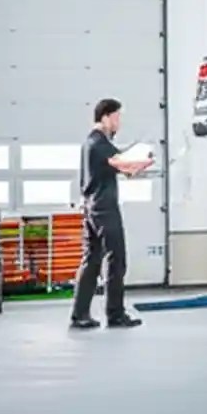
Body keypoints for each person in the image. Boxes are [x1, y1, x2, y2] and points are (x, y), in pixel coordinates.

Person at [69, 98, 154, 330]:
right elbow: (123, 164)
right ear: (105, 117)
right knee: (116, 259)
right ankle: (115, 315)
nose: (119, 123)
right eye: (117, 117)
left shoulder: (91, 143)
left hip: (90, 207)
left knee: (92, 260)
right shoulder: (99, 142)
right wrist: (144, 162)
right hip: (104, 208)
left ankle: (79, 315)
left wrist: (133, 166)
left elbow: (119, 166)